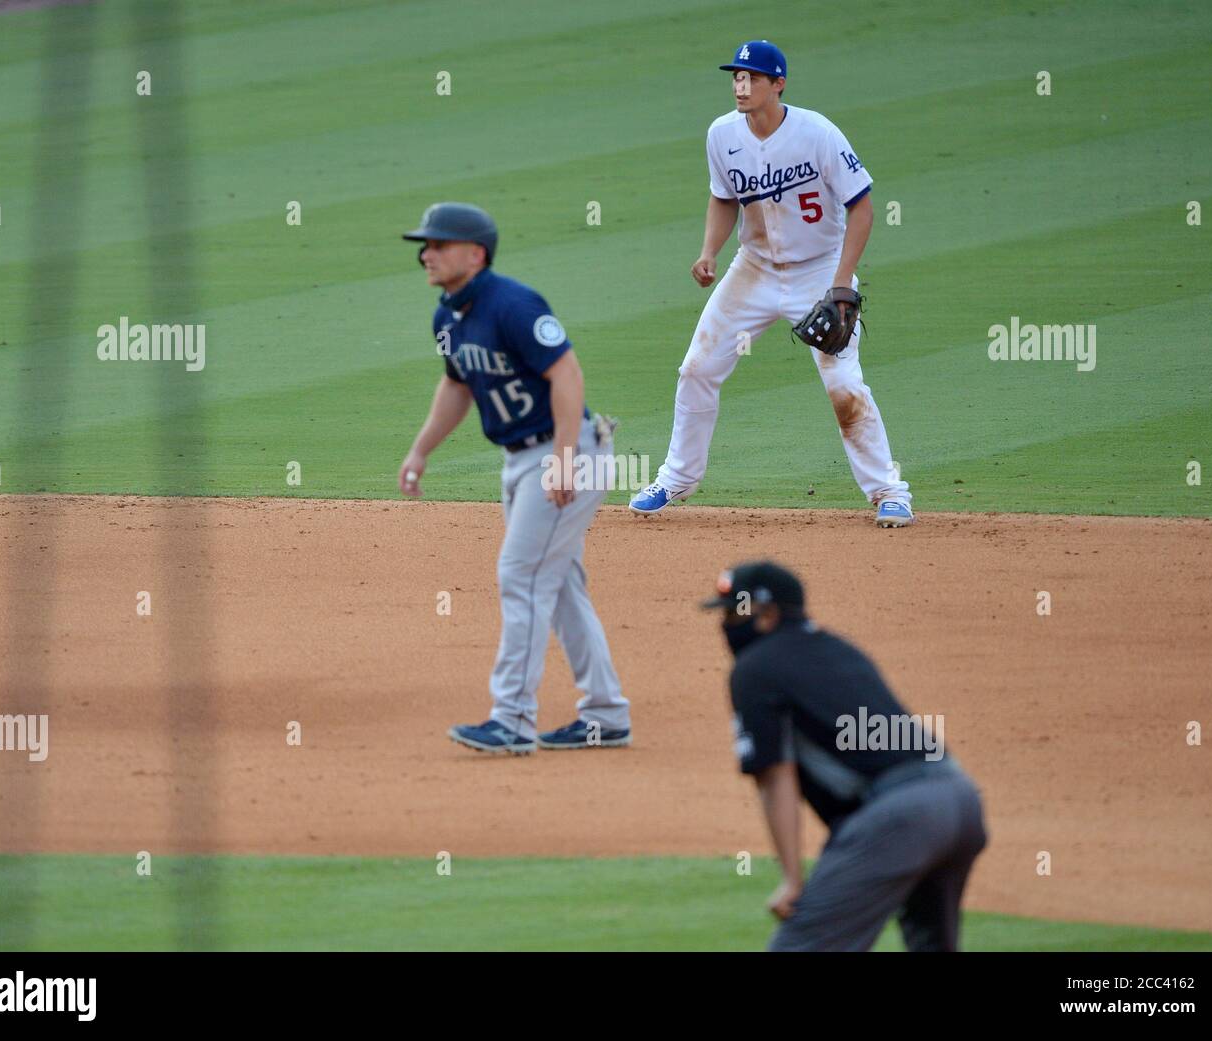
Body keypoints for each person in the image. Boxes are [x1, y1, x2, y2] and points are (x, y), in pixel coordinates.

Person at [631, 39, 914, 527]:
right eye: (736, 77)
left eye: (752, 77)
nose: (741, 85)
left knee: (844, 382)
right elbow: (724, 198)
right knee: (696, 369)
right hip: (754, 269)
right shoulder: (721, 135)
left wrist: (841, 284)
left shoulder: (817, 133)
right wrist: (707, 252)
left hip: (819, 269)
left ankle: (889, 491)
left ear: (777, 83)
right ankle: (676, 478)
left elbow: (861, 207)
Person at [398, 202, 631, 755]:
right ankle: (605, 714)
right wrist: (420, 450)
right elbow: (456, 386)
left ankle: (512, 720)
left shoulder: (515, 304)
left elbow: (566, 374)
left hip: (563, 452)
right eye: (423, 245)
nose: (425, 253)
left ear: (475, 254)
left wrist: (565, 458)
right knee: (562, 585)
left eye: (437, 244)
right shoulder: (447, 317)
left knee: (521, 576)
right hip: (520, 459)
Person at [702, 560, 987, 950]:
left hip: (902, 817)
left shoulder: (754, 669)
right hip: (961, 800)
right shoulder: (839, 648)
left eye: (736, 612)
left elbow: (775, 778)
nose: (727, 624)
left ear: (766, 615)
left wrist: (792, 879)